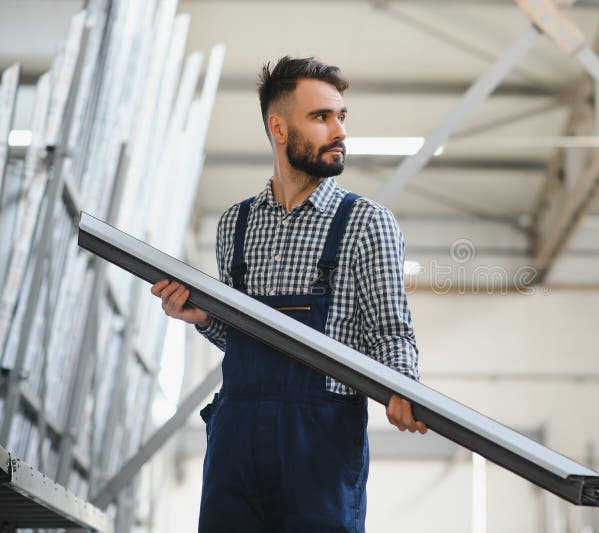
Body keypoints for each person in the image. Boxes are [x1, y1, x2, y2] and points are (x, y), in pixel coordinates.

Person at [150, 56, 426, 532]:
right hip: (236, 440)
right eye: (321, 117)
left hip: (317, 447)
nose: (338, 130)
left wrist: (402, 386)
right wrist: (204, 319)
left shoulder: (366, 223)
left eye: (341, 117)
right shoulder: (234, 225)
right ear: (278, 127)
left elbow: (390, 332)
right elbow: (244, 339)